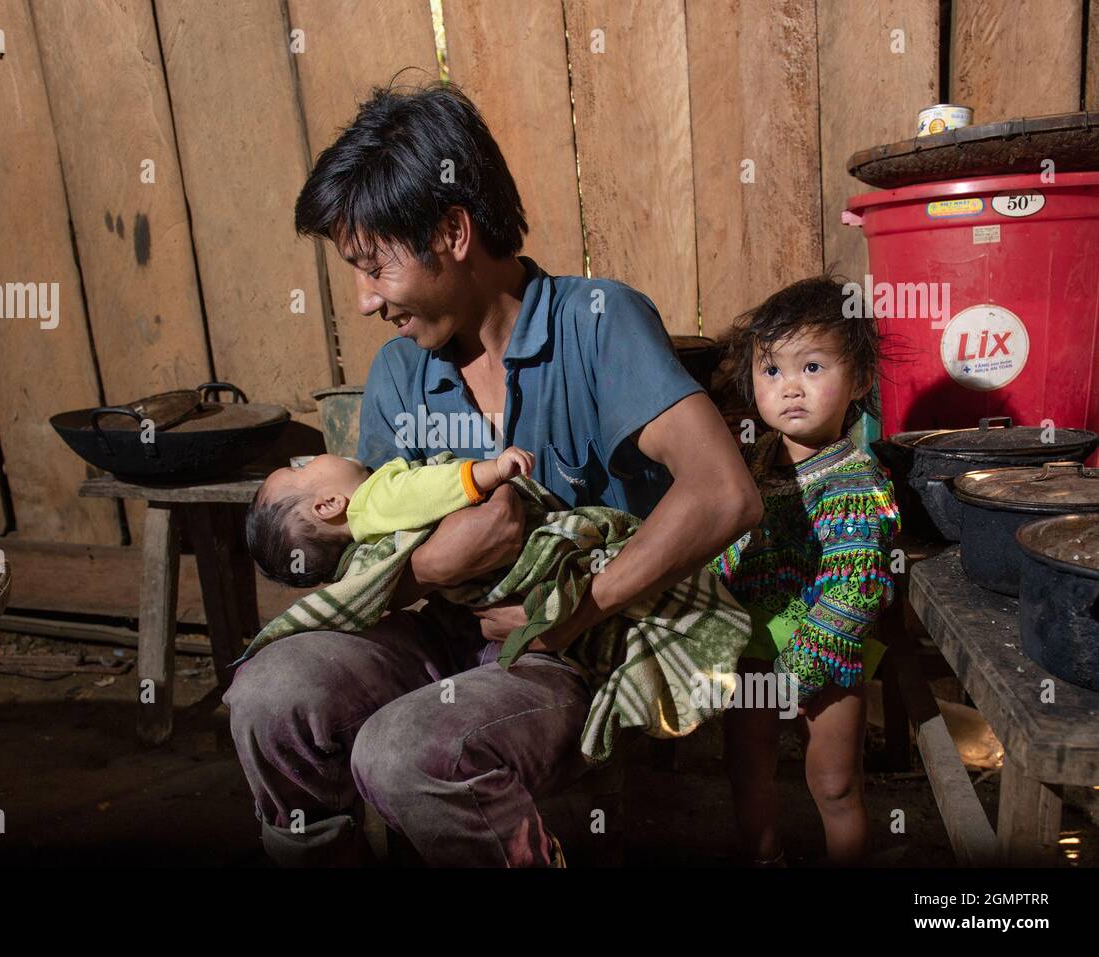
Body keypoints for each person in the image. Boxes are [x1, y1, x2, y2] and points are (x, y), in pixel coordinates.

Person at [225, 81, 762, 867]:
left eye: (374, 266)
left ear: (452, 229)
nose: (366, 299)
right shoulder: (399, 372)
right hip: (435, 634)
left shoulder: (595, 323)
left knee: (406, 750)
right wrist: (428, 566)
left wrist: (573, 609)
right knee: (268, 694)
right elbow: (381, 545)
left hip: (567, 651)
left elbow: (724, 492)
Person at [708, 276, 900, 865]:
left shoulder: (857, 484)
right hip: (750, 641)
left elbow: (856, 590)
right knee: (748, 771)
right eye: (772, 372)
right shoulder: (747, 461)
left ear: (860, 381)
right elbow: (719, 541)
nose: (791, 387)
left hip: (828, 646)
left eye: (813, 367)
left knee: (835, 782)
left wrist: (803, 668)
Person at [245, 447, 533, 587]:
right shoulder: (376, 502)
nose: (311, 458)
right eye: (300, 469)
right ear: (329, 504)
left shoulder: (366, 531)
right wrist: (493, 470)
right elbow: (426, 491)